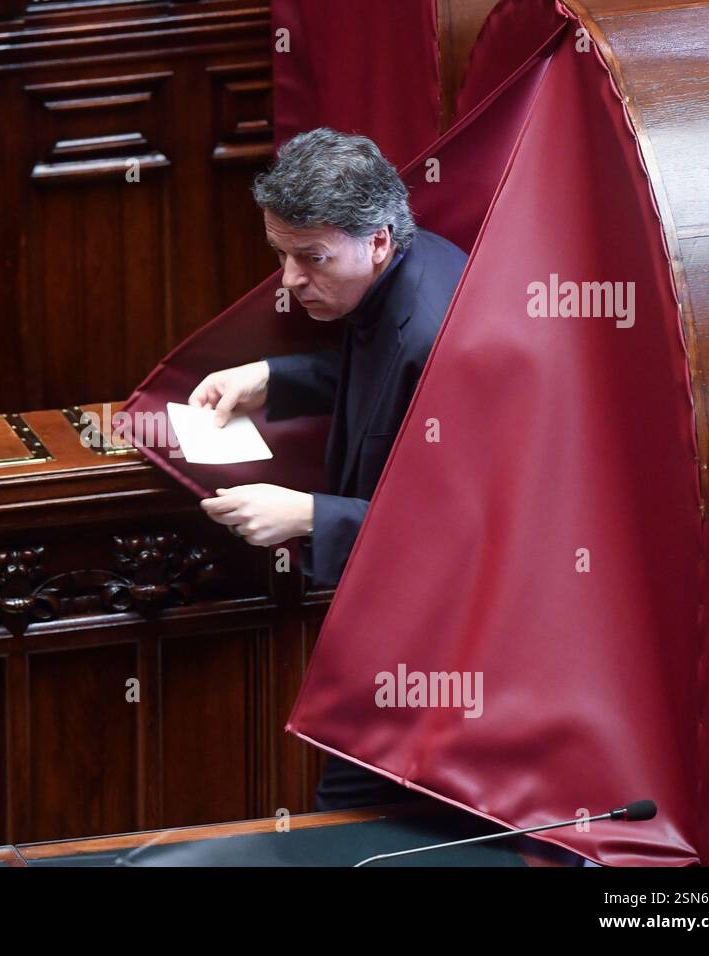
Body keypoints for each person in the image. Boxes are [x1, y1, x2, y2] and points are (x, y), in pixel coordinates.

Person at [190, 128, 468, 810]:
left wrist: (309, 516)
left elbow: (466, 536)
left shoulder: (440, 336)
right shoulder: (406, 265)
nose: (289, 281)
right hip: (395, 639)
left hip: (440, 656)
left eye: (310, 258)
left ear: (376, 239)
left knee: (355, 817)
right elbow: (370, 377)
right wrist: (269, 378)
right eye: (281, 255)